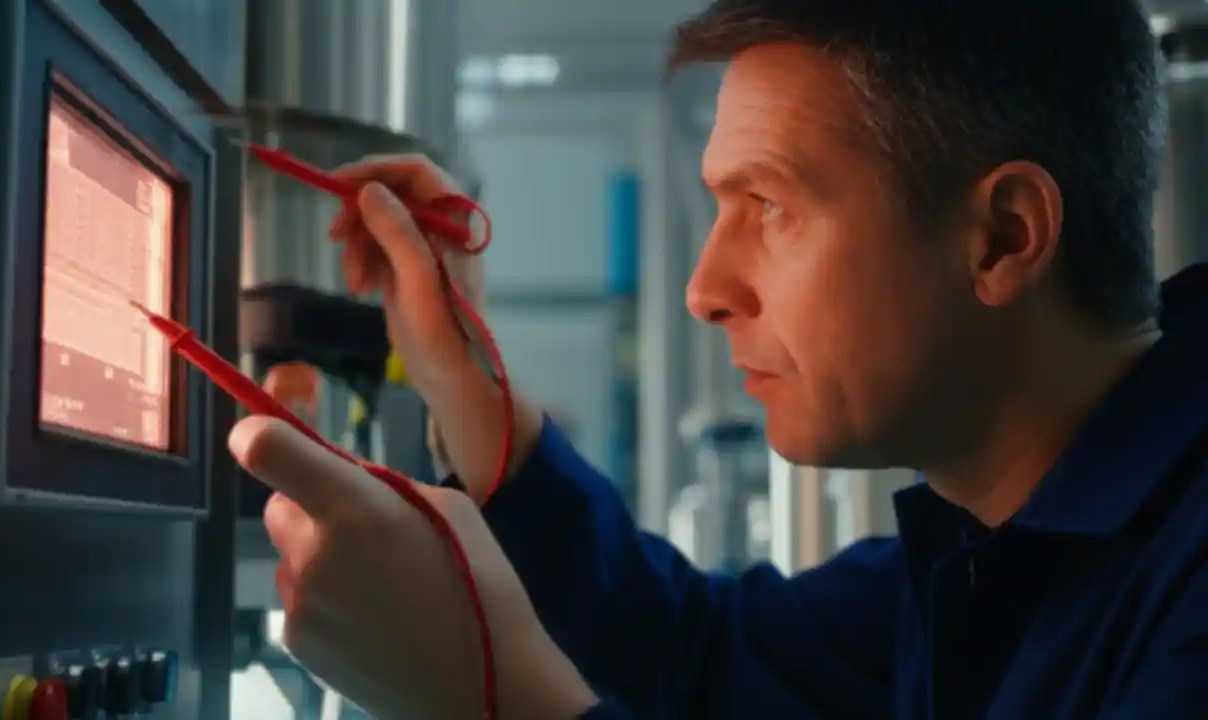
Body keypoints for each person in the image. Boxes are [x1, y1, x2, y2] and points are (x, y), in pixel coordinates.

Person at [230, 0, 1208, 717]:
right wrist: (463, 378)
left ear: (998, 236)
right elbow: (696, 660)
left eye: (769, 207)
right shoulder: (980, 556)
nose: (704, 289)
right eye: (718, 208)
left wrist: (485, 698)